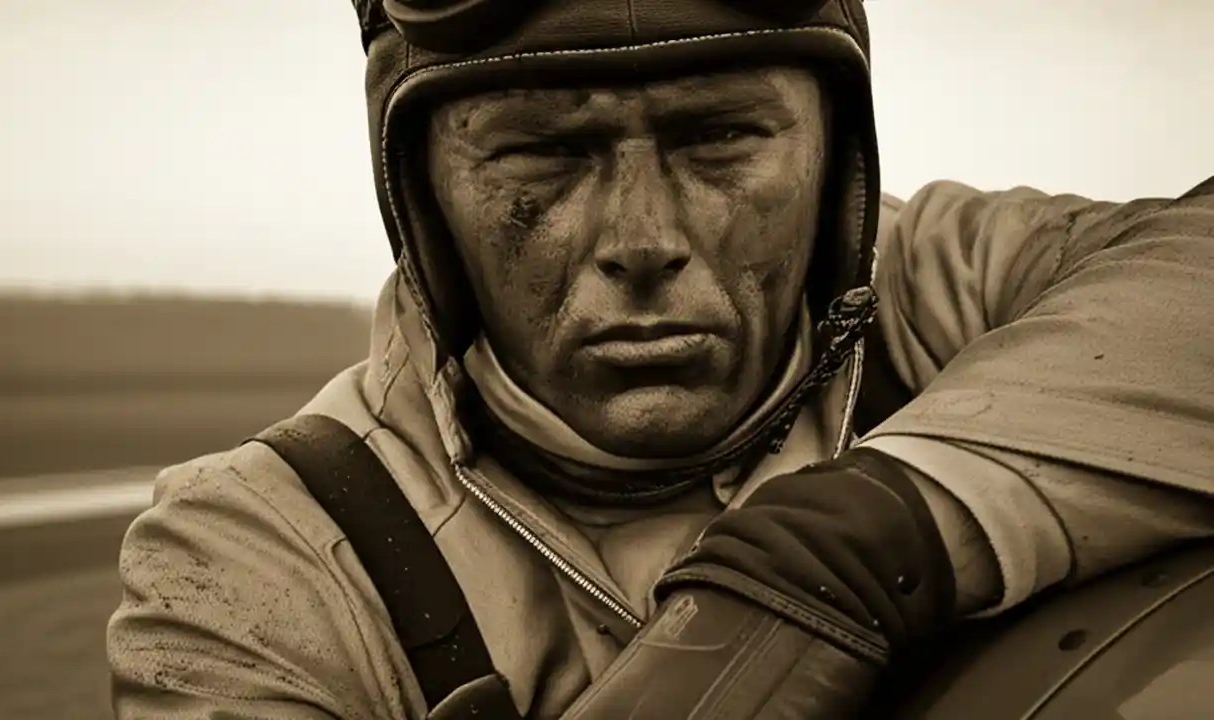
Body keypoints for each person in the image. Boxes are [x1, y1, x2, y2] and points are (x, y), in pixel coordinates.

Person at [106, 1, 1214, 718]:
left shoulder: (943, 285)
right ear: (424, 205)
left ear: (835, 171)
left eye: (719, 136)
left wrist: (844, 552)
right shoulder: (256, 553)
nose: (641, 241)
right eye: (543, 151)